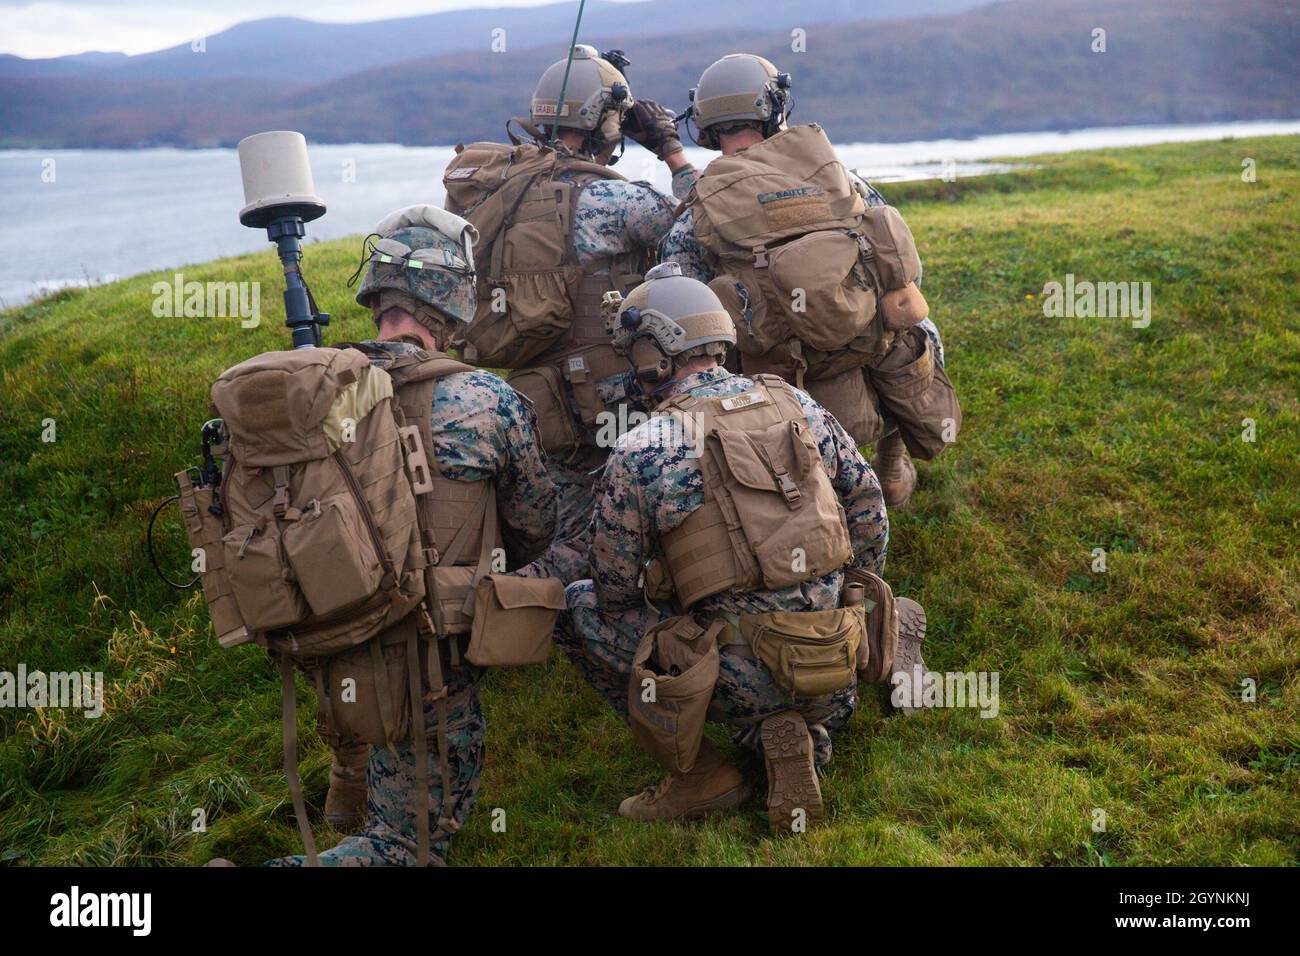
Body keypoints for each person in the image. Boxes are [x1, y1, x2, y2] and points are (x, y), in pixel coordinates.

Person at [554, 262, 929, 832]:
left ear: (657, 354)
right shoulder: (799, 406)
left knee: (579, 606)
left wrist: (678, 580)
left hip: (733, 678)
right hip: (838, 657)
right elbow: (870, 507)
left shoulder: (642, 447)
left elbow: (612, 586)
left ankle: (702, 772)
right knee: (810, 613)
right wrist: (847, 594)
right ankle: (818, 718)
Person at [263, 205, 557, 865]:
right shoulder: (486, 399)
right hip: (426, 656)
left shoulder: (308, 392)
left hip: (325, 633)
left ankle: (350, 776)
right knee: (410, 846)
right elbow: (538, 525)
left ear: (375, 299)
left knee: (362, 695)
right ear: (452, 305)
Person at [661, 54, 960, 509]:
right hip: (869, 355)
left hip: (776, 384)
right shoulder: (843, 182)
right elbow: (902, 269)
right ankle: (891, 461)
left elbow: (682, 308)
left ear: (705, 125)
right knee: (920, 323)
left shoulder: (698, 214)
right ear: (775, 107)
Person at [443, 44, 697, 556]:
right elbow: (705, 220)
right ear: (606, 122)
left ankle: (542, 595)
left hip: (535, 392)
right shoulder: (610, 199)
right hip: (615, 396)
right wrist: (670, 149)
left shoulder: (502, 189)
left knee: (556, 531)